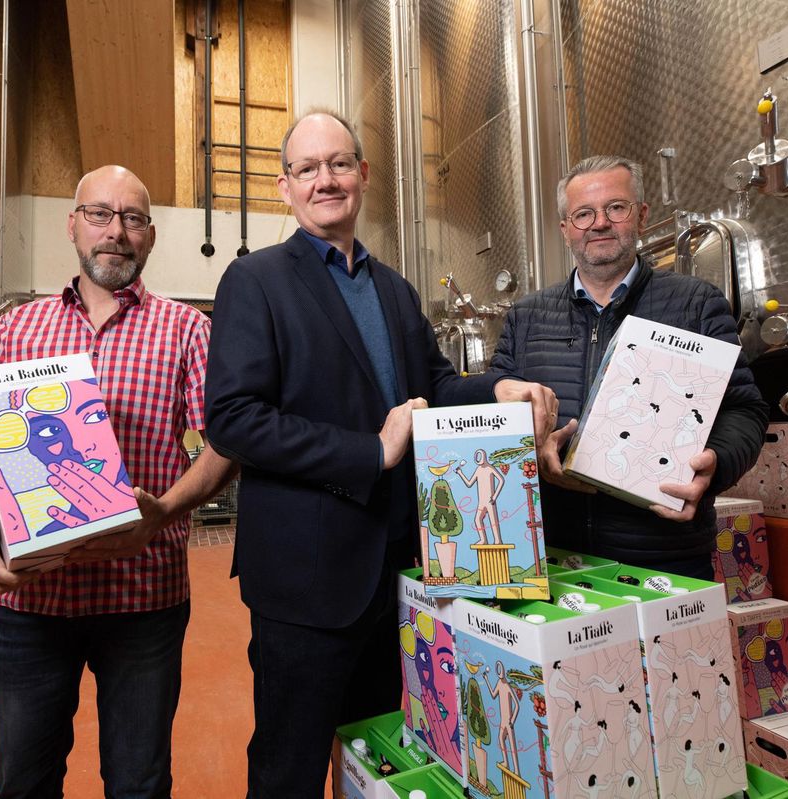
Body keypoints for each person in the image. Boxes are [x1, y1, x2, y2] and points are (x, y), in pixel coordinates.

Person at [203, 110, 548, 798]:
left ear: (362, 175)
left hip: (401, 569)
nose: (325, 179)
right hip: (308, 580)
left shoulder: (393, 288)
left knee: (380, 756)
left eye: (339, 163)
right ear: (285, 187)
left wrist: (498, 386)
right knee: (289, 763)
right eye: (308, 168)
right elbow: (232, 420)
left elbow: (438, 385)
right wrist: (371, 450)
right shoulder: (257, 280)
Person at [0, 165, 236, 799]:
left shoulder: (188, 330)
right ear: (73, 225)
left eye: (131, 219)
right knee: (23, 780)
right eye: (99, 214)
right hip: (32, 601)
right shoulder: (19, 327)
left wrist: (166, 510)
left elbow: (224, 447)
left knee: (138, 782)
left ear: (150, 236)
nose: (115, 232)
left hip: (144, 598)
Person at [489, 154, 768, 577]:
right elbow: (495, 419)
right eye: (583, 214)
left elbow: (745, 411)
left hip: (665, 556)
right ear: (565, 229)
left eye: (615, 208)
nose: (600, 223)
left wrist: (717, 463)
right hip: (552, 557)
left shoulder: (696, 302)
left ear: (640, 216)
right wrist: (534, 451)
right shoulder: (526, 317)